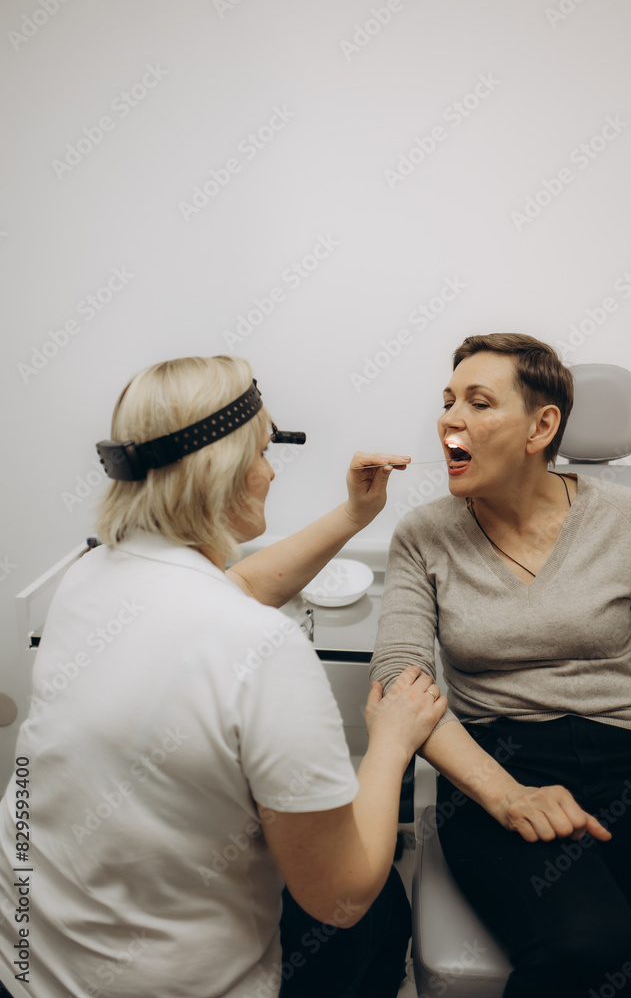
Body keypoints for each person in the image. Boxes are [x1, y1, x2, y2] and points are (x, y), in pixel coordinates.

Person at [0, 355, 446, 998]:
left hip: (36, 966)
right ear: (226, 468)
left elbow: (232, 587)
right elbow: (340, 899)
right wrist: (390, 745)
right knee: (374, 914)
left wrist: (353, 516)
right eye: (264, 452)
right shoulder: (262, 647)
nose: (269, 472)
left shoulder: (91, 578)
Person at [371, 333, 631, 998]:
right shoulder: (424, 535)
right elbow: (400, 681)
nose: (449, 419)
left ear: (542, 426)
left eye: (478, 403)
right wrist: (505, 795)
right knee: (587, 948)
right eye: (448, 402)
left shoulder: (626, 516)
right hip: (500, 759)